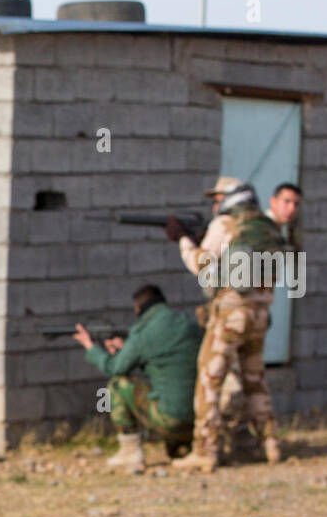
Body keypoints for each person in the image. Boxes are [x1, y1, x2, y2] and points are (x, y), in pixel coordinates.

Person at [167, 176, 286, 473]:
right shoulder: (267, 226)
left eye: (219, 199)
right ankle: (270, 443)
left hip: (232, 311)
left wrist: (184, 241)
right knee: (255, 379)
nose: (215, 205)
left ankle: (205, 449)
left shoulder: (225, 224)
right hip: (260, 312)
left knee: (210, 379)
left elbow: (202, 266)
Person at [73, 284, 202, 473]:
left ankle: (130, 449)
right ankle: (184, 445)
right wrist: (127, 348)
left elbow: (114, 368)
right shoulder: (188, 324)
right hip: (199, 420)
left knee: (117, 385)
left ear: (138, 308)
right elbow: (164, 360)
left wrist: (91, 347)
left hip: (169, 419)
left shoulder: (144, 332)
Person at [266, 182, 302, 249]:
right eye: (287, 201)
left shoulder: (284, 230)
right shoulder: (262, 228)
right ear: (273, 201)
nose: (292, 209)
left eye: (296, 204)